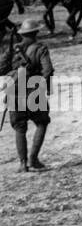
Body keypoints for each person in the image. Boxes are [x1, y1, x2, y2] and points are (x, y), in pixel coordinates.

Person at [2, 19, 54, 172]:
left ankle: (22, 163)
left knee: (19, 128)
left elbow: (1, 68)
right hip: (34, 90)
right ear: (36, 33)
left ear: (22, 34)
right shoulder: (41, 49)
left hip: (14, 90)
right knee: (42, 123)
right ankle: (34, 159)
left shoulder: (13, 50)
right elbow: (48, 70)